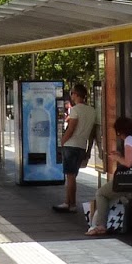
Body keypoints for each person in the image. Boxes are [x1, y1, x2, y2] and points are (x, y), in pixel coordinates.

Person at [87, 116, 132, 236]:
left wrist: (116, 157)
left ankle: (101, 226)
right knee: (116, 194)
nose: (118, 136)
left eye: (118, 133)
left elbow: (128, 163)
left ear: (121, 131)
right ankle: (116, 218)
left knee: (101, 194)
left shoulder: (130, 140)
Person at [53, 83, 96, 212]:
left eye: (72, 93)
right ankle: (71, 203)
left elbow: (71, 129)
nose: (71, 96)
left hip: (71, 145)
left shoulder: (76, 110)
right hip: (82, 146)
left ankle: (69, 203)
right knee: (73, 176)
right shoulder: (92, 111)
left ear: (76, 95)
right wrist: (88, 150)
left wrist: (62, 141)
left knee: (70, 176)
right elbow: (92, 133)